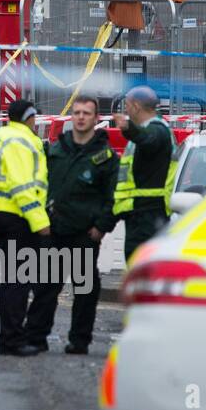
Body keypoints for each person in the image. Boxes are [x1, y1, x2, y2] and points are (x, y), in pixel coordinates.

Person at [0, 99, 55, 356]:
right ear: (30, 118)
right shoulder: (22, 142)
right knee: (18, 281)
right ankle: (11, 339)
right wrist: (41, 223)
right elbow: (22, 187)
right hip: (17, 216)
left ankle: (8, 337)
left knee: (11, 279)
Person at [42, 96, 118, 355]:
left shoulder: (104, 156)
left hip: (85, 234)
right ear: (71, 116)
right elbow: (43, 185)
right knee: (46, 286)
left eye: (87, 113)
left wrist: (101, 228)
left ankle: (79, 340)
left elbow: (113, 197)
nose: (81, 117)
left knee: (85, 291)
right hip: (55, 229)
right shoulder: (57, 150)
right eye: (77, 112)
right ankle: (36, 336)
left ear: (96, 119)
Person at [110, 85, 177, 262]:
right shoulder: (154, 129)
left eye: (127, 106)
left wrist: (128, 128)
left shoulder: (157, 130)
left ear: (136, 106)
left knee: (140, 266)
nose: (126, 110)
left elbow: (148, 140)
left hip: (149, 215)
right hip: (141, 212)